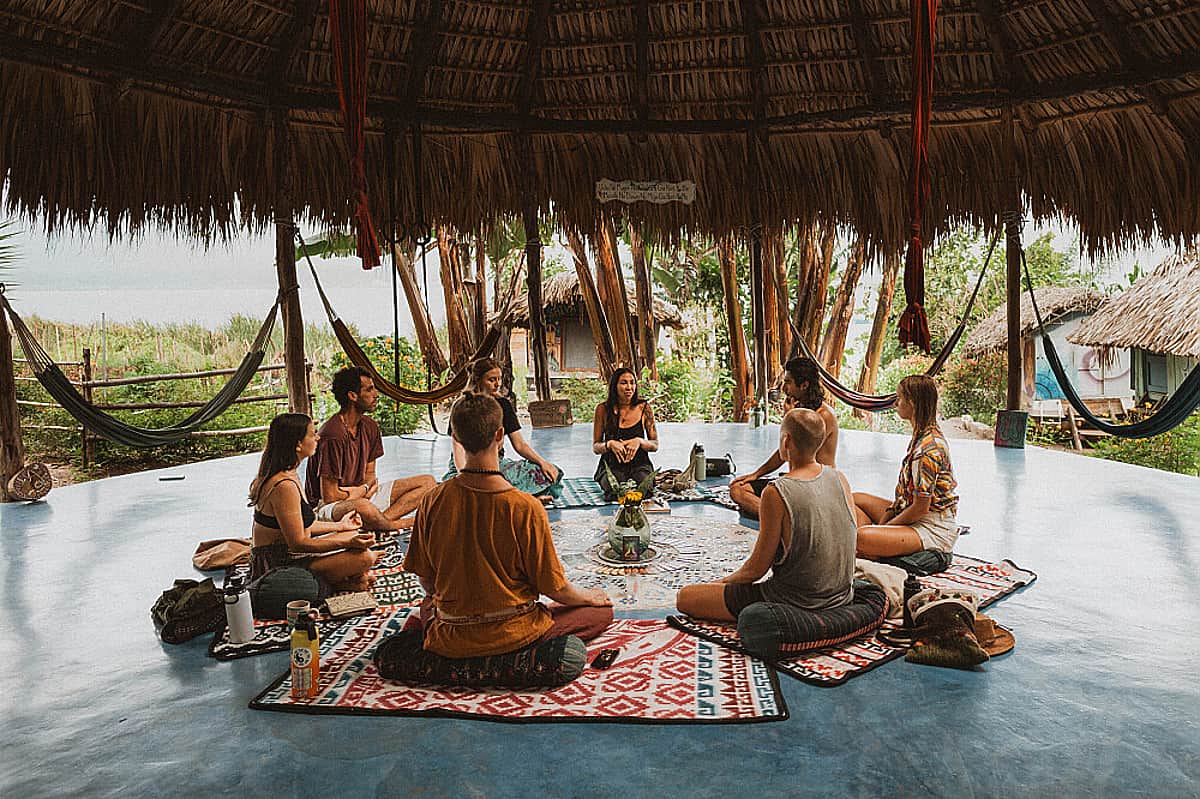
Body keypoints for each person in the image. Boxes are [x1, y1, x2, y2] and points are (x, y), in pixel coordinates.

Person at [403, 393, 614, 658]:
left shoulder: (433, 500)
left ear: (456, 438)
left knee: (426, 606)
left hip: (452, 634)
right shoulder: (526, 507)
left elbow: (428, 583)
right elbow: (555, 589)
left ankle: (435, 643)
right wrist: (589, 596)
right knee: (601, 612)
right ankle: (516, 656)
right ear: (500, 435)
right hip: (516, 633)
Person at [676, 408, 857, 622]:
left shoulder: (776, 492)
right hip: (841, 595)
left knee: (686, 597)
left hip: (796, 600)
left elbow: (755, 570)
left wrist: (719, 583)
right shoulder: (840, 478)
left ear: (786, 441)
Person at [249, 413, 378, 594]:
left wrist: (341, 526)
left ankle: (349, 580)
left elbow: (303, 526)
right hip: (277, 566)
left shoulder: (289, 473)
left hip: (290, 554)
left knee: (353, 533)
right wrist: (347, 543)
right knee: (364, 558)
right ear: (298, 444)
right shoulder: (283, 485)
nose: (317, 437)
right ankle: (343, 581)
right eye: (312, 434)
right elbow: (299, 544)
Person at [304, 367, 436, 531]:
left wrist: (364, 490)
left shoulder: (370, 426)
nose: (376, 394)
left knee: (428, 483)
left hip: (362, 495)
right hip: (328, 507)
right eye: (369, 389)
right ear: (352, 396)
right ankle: (397, 524)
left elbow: (370, 476)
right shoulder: (333, 435)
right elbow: (330, 496)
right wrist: (360, 493)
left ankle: (378, 522)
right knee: (364, 507)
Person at [853, 374, 960, 558]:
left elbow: (920, 509)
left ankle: (872, 545)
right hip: (912, 512)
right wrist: (886, 522)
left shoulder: (928, 449)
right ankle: (876, 544)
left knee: (861, 537)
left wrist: (886, 527)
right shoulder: (922, 435)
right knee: (854, 499)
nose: (896, 403)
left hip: (932, 527)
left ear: (912, 403)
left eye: (899, 398)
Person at [729, 357, 839, 518]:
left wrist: (789, 417)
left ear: (804, 385)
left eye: (788, 382)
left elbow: (787, 453)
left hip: (815, 486)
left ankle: (782, 519)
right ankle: (782, 516)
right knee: (738, 489)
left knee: (765, 497)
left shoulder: (823, 417)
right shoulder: (800, 407)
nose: (783, 387)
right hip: (796, 482)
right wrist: (756, 474)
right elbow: (785, 451)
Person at [444, 358, 563, 502]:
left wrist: (542, 463)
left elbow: (519, 445)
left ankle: (513, 497)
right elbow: (458, 449)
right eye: (491, 379)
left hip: (495, 463)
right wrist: (465, 476)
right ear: (478, 380)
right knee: (466, 487)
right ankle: (522, 498)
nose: (497, 384)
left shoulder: (503, 405)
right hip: (466, 463)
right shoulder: (463, 406)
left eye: (499, 379)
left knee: (550, 472)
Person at [592, 367, 659, 499]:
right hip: (612, 464)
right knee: (616, 490)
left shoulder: (644, 408)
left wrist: (639, 441)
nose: (629, 387)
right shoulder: (603, 409)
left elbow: (655, 445)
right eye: (623, 383)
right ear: (615, 386)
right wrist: (610, 444)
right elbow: (596, 447)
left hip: (640, 464)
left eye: (632, 382)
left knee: (643, 490)